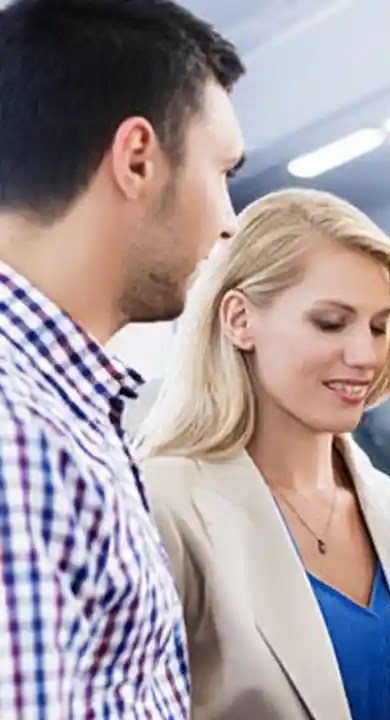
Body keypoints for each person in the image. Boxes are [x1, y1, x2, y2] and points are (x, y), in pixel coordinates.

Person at [0, 1, 245, 716]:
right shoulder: (18, 432)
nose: (230, 220)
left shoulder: (62, 410)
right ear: (137, 159)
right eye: (222, 171)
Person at [133, 187, 390, 720]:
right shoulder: (160, 503)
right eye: (331, 323)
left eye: (379, 326)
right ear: (240, 319)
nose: (365, 355)